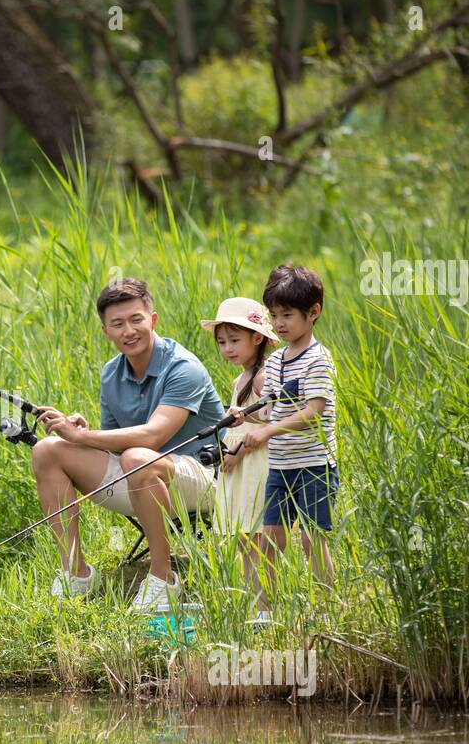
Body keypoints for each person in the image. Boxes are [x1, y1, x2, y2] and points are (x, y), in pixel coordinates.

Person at [29, 277, 227, 612]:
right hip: (142, 475)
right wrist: (83, 433)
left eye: (136, 319)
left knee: (139, 457)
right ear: (105, 331)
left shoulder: (183, 367)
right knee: (47, 449)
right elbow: (117, 448)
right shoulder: (111, 373)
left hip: (206, 478)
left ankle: (163, 578)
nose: (128, 331)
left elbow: (152, 437)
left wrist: (83, 438)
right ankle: (76, 573)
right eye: (117, 324)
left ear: (153, 319)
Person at [231, 264, 338, 622]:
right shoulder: (275, 361)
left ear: (313, 313)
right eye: (274, 315)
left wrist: (266, 432)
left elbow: (313, 412)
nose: (279, 323)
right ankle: (264, 611)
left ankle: (325, 610)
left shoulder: (317, 359)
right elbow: (270, 409)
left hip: (314, 465)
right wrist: (244, 417)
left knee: (311, 539)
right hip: (280, 466)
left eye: (287, 315)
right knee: (270, 538)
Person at [199, 297, 279, 590]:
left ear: (257, 337)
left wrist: (237, 450)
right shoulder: (240, 380)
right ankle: (253, 596)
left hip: (255, 464)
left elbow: (272, 424)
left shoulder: (262, 377)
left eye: (234, 340)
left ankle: (266, 601)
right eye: (221, 342)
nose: (227, 348)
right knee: (243, 537)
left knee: (258, 537)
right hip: (238, 464)